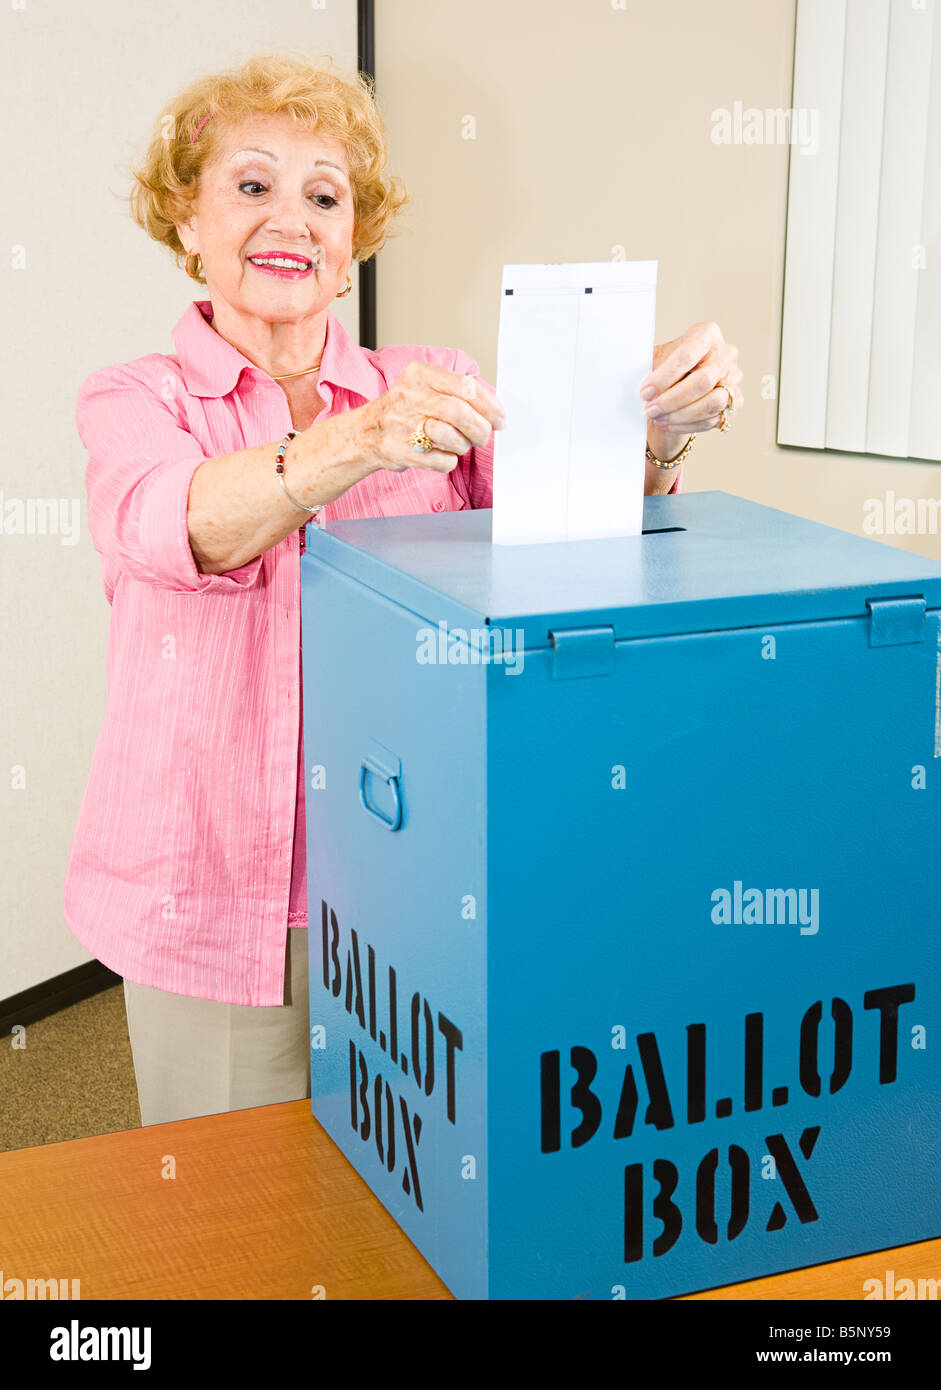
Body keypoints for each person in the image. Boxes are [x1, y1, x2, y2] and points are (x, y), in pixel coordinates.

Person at [64, 51, 743, 1127]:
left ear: (349, 248)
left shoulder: (432, 385)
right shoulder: (134, 399)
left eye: (323, 196)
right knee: (227, 1220)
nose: (290, 217)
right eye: (251, 185)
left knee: (401, 1189)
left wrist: (654, 433)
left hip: (410, 881)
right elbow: (177, 523)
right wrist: (354, 442)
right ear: (185, 225)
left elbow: (562, 546)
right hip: (210, 886)